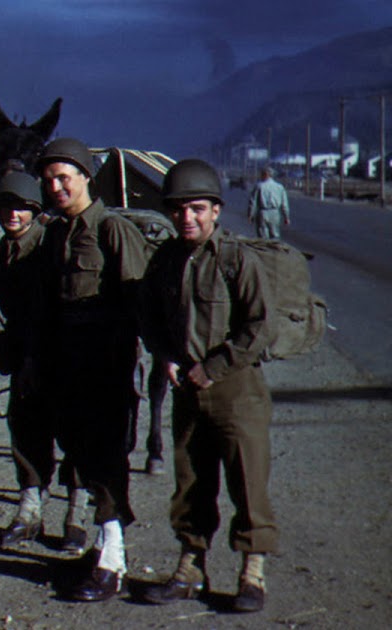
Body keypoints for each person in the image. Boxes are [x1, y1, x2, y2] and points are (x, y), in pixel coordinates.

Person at [139, 159, 277, 613]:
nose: (187, 218)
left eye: (197, 208)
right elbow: (150, 319)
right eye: (178, 210)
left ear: (216, 210)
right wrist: (167, 357)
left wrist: (214, 366)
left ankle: (252, 574)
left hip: (237, 392)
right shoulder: (164, 260)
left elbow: (260, 326)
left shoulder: (239, 259)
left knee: (247, 483)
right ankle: (190, 568)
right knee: (190, 484)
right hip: (186, 393)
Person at [36, 138, 149, 601]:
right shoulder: (58, 232)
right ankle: (103, 546)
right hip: (67, 363)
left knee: (105, 459)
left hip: (104, 363)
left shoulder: (111, 229)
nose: (57, 187)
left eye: (65, 177)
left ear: (87, 177)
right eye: (49, 181)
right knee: (80, 455)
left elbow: (136, 300)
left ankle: (114, 562)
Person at [0, 171, 83, 549]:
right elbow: (2, 294)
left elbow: (46, 307)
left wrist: (34, 359)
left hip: (57, 353)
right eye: (5, 208)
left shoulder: (47, 244)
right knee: (25, 432)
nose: (12, 215)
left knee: (71, 433)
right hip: (25, 353)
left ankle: (76, 510)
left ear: (36, 211)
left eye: (21, 208)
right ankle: (30, 509)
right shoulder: (5, 247)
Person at [247, 168, 290, 239]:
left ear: (265, 175)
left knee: (263, 236)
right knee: (275, 235)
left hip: (263, 212)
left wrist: (250, 215)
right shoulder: (279, 187)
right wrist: (286, 217)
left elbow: (253, 202)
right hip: (275, 213)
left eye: (262, 174)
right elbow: (284, 204)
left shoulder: (259, 186)